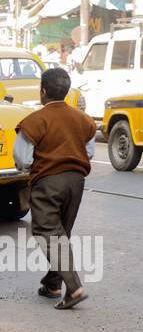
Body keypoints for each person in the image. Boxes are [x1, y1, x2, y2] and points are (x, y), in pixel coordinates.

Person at [12, 67, 97, 309]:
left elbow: (23, 160)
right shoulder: (84, 120)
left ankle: (74, 288)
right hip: (76, 182)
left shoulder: (33, 121)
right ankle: (53, 284)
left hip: (48, 182)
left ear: (43, 92)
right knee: (60, 233)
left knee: (46, 233)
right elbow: (89, 152)